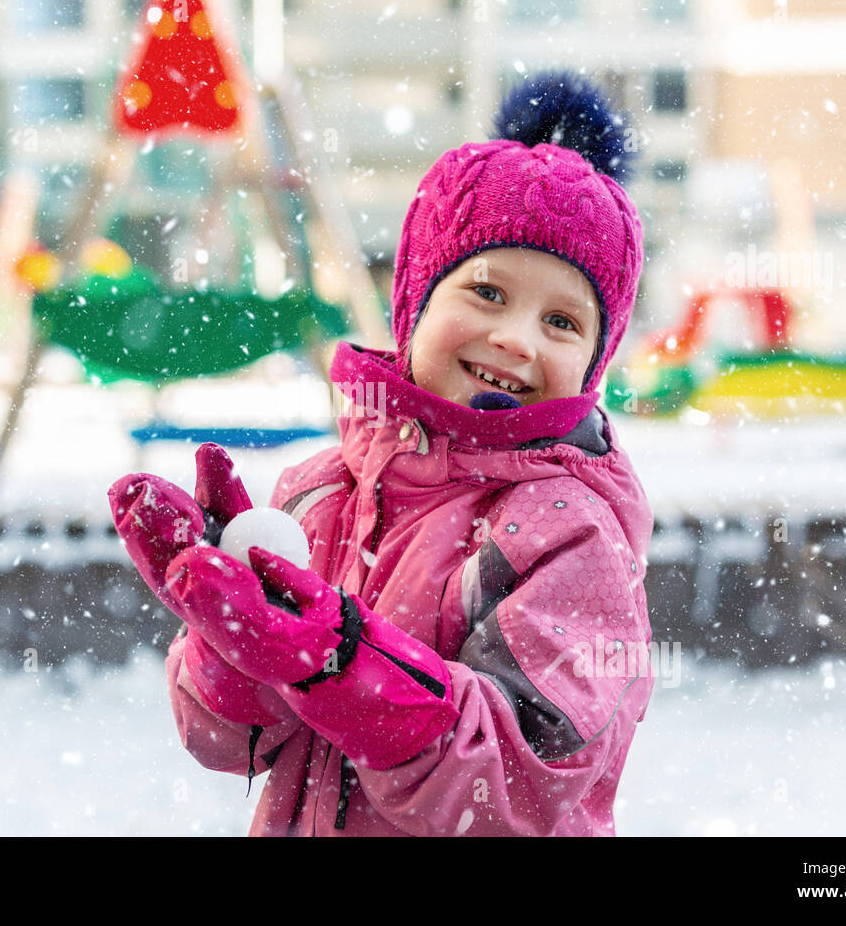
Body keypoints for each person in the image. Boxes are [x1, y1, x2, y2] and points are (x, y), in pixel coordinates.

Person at [110, 71, 654, 836]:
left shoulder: (566, 533)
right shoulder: (321, 490)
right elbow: (227, 743)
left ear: (595, 362)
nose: (516, 339)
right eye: (488, 293)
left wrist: (339, 663)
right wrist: (234, 635)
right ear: (415, 301)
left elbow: (524, 783)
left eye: (563, 322)